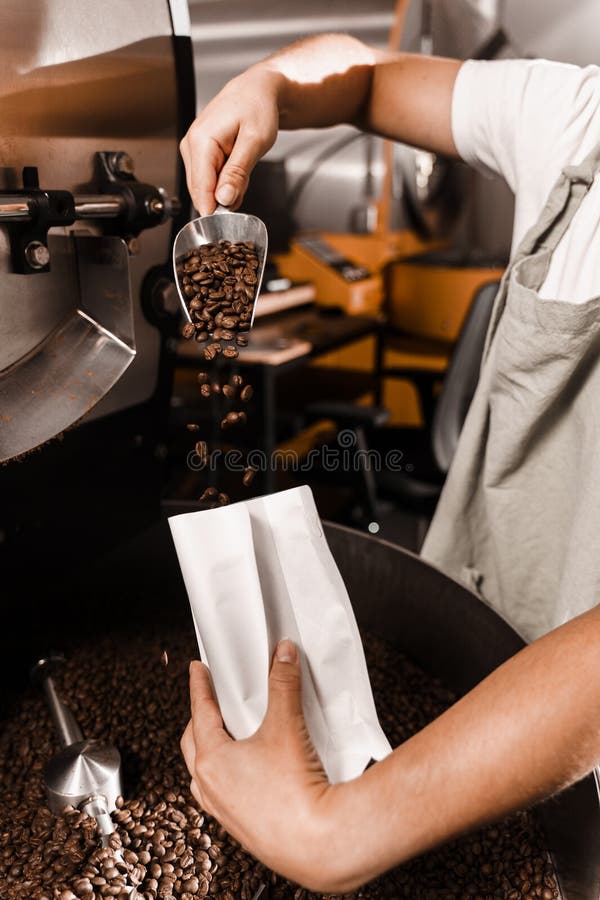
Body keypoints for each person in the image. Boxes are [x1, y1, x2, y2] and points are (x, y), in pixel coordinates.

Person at [179, 35, 600, 892]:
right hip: (463, 650)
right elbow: (365, 77)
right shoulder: (577, 120)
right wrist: (269, 86)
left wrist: (344, 831)